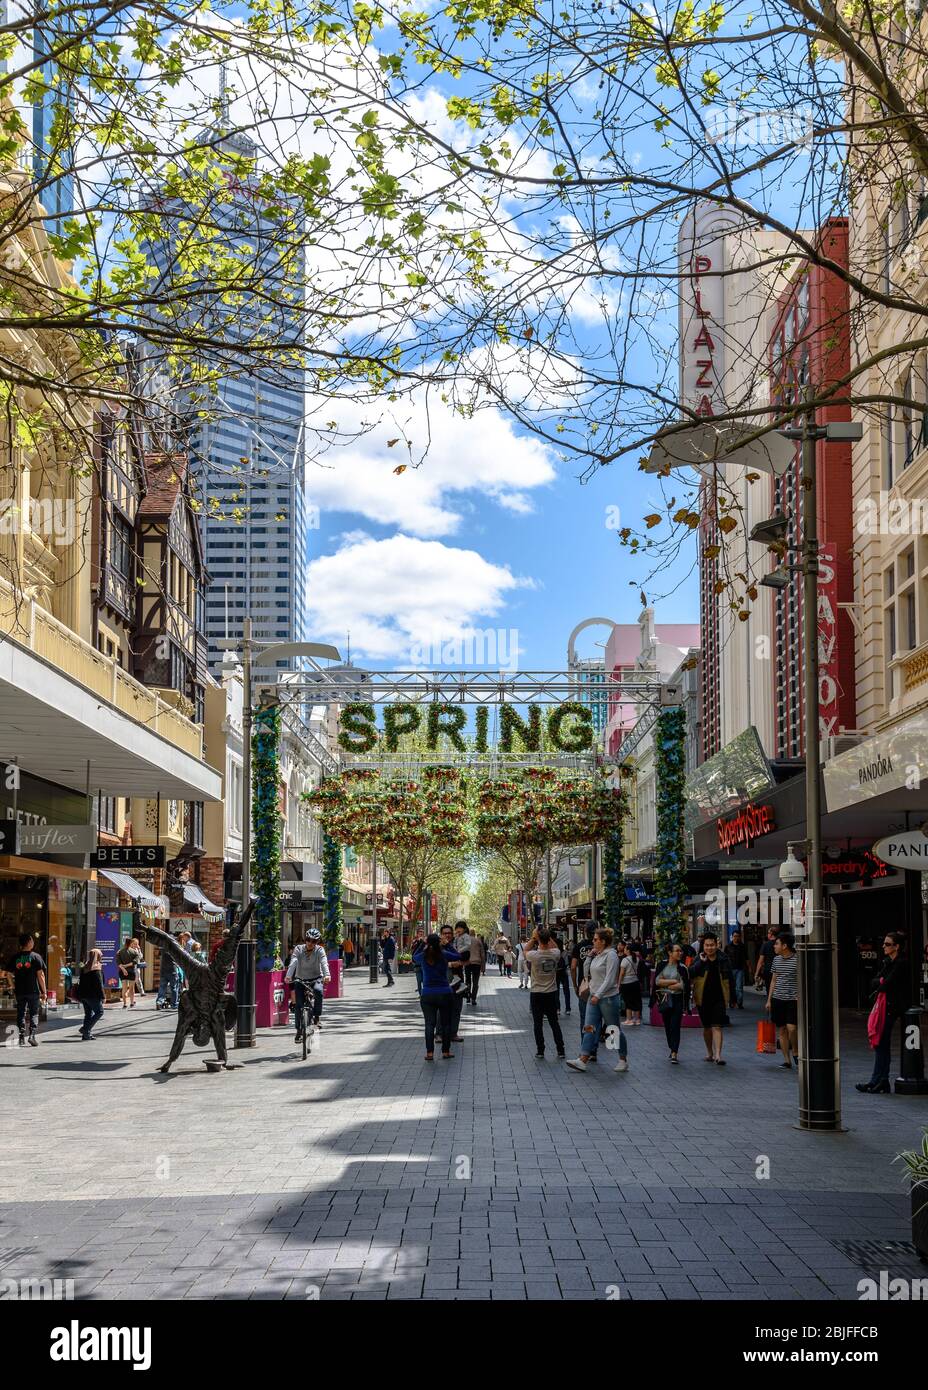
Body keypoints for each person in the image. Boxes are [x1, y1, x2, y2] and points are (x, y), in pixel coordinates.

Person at [566, 927, 627, 1073]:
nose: (592, 941)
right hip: (594, 997)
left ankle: (622, 1059)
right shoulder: (598, 955)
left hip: (608, 998)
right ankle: (583, 1058)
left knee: (613, 1029)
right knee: (589, 1027)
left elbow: (610, 979)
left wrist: (598, 995)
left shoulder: (611, 955)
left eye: (595, 940)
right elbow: (587, 972)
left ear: (603, 941)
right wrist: (589, 957)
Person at [857, 931, 911, 1094]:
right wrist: (880, 982)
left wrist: (880, 982)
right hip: (884, 1005)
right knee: (881, 1044)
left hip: (893, 1007)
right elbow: (876, 981)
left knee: (882, 1043)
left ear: (897, 947)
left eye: (887, 944)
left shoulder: (901, 963)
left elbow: (886, 983)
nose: (884, 947)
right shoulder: (887, 962)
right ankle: (878, 1080)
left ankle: (880, 1080)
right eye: (884, 943)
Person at [412, 932, 461, 1060]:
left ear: (428, 943)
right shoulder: (444, 954)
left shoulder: (423, 956)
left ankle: (430, 1053)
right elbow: (458, 955)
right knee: (446, 1023)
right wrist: (448, 944)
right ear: (439, 942)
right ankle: (445, 1052)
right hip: (445, 992)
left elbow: (414, 957)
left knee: (429, 1024)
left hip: (427, 994)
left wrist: (422, 943)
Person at [689, 933, 734, 1065]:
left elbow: (729, 977)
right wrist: (701, 963)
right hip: (703, 998)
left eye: (712, 945)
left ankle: (718, 1055)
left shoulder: (723, 958)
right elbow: (691, 972)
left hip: (719, 997)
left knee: (717, 1026)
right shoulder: (699, 958)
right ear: (703, 946)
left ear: (717, 944)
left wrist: (733, 997)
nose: (710, 948)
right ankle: (710, 1052)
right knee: (707, 1027)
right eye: (707, 945)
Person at [523, 926, 566, 1059]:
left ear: (538, 940)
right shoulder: (555, 954)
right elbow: (557, 948)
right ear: (549, 939)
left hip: (537, 993)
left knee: (538, 1023)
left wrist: (534, 937)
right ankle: (560, 1050)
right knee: (554, 1022)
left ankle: (540, 1050)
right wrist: (546, 936)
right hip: (552, 992)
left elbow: (525, 950)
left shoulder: (534, 955)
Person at [2, 931, 47, 1046]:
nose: (33, 942)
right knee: (33, 1013)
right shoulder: (36, 957)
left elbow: (7, 974)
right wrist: (44, 992)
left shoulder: (15, 957)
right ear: (28, 943)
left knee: (21, 1013)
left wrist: (13, 985)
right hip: (33, 990)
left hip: (20, 991)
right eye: (31, 940)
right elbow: (40, 976)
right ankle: (31, 1035)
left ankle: (21, 1035)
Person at [286, 928, 331, 1039]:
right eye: (308, 940)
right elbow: (294, 962)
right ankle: (298, 1031)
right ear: (305, 939)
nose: (310, 943)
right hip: (300, 979)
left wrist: (327, 975)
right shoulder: (298, 949)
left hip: (316, 978)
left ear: (317, 942)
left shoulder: (320, 950)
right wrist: (288, 975)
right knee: (298, 1005)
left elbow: (324, 962)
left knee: (318, 991)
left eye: (314, 941)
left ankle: (316, 1017)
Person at [651, 942, 690, 1062]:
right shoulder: (662, 965)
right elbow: (657, 981)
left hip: (677, 1000)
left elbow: (683, 985)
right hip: (665, 999)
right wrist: (673, 981)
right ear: (670, 953)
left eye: (680, 951)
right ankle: (671, 1047)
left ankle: (674, 1052)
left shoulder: (683, 968)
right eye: (677, 951)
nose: (680, 953)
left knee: (675, 1025)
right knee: (667, 1026)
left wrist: (666, 982)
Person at [765, 932, 798, 1068]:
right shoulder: (776, 960)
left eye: (777, 943)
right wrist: (769, 1000)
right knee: (782, 1029)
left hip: (793, 999)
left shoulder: (797, 959)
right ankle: (787, 1060)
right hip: (778, 998)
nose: (774, 946)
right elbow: (773, 980)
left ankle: (796, 1051)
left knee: (792, 1028)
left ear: (785, 946)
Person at [570, 923, 599, 1061]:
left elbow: (573, 967)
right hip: (599, 987)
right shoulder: (601, 946)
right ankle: (593, 1049)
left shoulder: (579, 946)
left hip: (585, 987)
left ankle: (585, 1049)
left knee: (585, 1018)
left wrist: (575, 985)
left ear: (585, 932)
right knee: (598, 1019)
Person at [440, 924, 467, 1041]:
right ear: (441, 934)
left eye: (449, 933)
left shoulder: (458, 944)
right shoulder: (437, 947)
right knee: (441, 1008)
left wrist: (461, 963)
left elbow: (466, 958)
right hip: (442, 981)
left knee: (456, 1007)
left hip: (457, 980)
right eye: (445, 933)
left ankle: (453, 1033)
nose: (447, 935)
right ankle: (439, 1033)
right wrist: (449, 964)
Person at [77, 948, 105, 1040]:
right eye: (100, 955)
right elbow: (99, 985)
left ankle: (86, 1035)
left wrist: (80, 996)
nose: (102, 956)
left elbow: (81, 982)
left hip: (84, 996)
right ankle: (85, 1029)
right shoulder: (96, 969)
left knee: (88, 1014)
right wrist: (103, 996)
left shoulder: (85, 967)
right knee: (99, 1012)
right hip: (93, 996)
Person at [618, 941, 643, 1025]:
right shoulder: (637, 958)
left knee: (628, 1001)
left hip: (626, 983)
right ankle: (637, 1019)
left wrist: (619, 983)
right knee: (636, 1000)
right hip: (635, 982)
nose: (624, 950)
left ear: (628, 950)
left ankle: (629, 1019)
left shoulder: (625, 960)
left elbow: (622, 973)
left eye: (625, 948)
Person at [461, 922, 485, 1005]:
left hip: (468, 963)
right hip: (477, 963)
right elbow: (482, 954)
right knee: (475, 982)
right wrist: (483, 967)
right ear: (474, 934)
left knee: (467, 980)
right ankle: (473, 998)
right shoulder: (478, 941)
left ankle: (468, 996)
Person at [116, 937, 143, 1009]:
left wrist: (124, 969)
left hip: (122, 972)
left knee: (124, 988)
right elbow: (135, 962)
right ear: (131, 943)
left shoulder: (119, 952)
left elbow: (118, 963)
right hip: (131, 972)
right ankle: (131, 1003)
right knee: (131, 988)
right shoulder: (134, 952)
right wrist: (127, 966)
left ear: (125, 943)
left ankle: (124, 1004)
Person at [156, 936, 180, 1010]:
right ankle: (174, 1004)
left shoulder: (163, 947)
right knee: (174, 988)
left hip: (163, 970)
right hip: (172, 970)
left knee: (162, 987)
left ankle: (159, 1002)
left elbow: (158, 954)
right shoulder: (175, 948)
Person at [726, 930, 747, 1008]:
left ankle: (739, 1002)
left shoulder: (742, 946)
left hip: (740, 969)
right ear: (732, 937)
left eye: (737, 936)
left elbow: (746, 958)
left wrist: (750, 968)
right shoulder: (728, 946)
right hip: (730, 969)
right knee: (731, 987)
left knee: (739, 987)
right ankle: (732, 1002)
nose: (736, 938)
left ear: (740, 937)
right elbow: (725, 958)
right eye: (734, 936)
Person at [754, 926, 778, 995]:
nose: (767, 935)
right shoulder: (780, 943)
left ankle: (770, 1002)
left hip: (768, 970)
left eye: (768, 933)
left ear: (771, 934)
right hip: (779, 969)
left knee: (769, 989)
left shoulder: (765, 945)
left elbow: (760, 961)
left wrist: (756, 973)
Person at [553, 934, 571, 1015]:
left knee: (556, 991)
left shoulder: (554, 953)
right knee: (566, 991)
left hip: (556, 973)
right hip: (564, 972)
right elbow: (567, 963)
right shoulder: (565, 953)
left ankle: (557, 1009)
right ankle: (568, 1009)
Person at [410, 929, 426, 995]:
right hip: (417, 964)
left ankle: (425, 993)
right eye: (420, 932)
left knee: (425, 980)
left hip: (424, 964)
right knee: (419, 980)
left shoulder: (425, 942)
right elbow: (413, 950)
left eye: (422, 932)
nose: (421, 934)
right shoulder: (415, 941)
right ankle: (420, 994)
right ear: (417, 934)